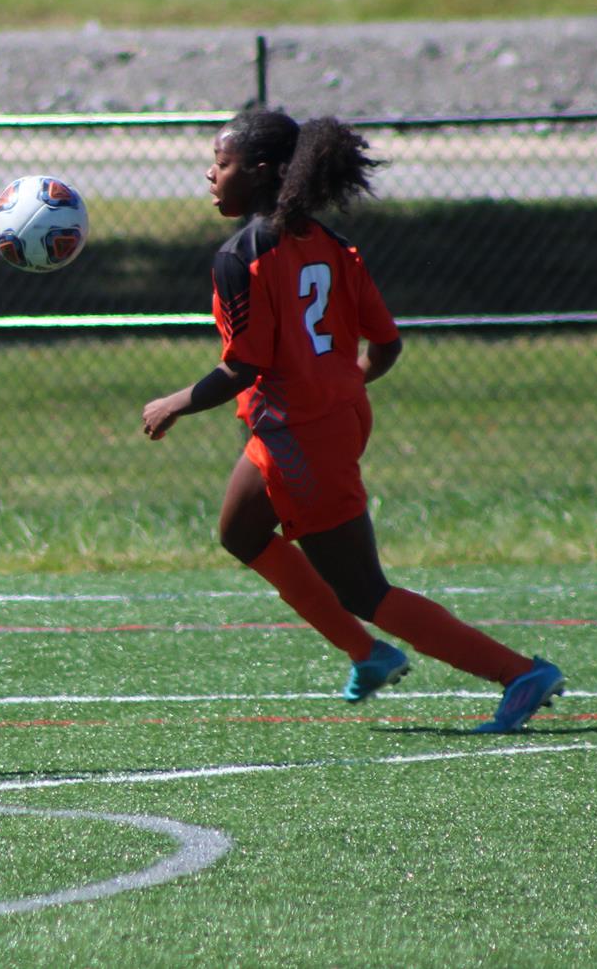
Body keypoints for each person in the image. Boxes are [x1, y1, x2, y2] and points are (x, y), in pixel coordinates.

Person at [140, 108, 564, 734]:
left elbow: (242, 367)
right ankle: (368, 654)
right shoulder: (335, 246)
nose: (210, 174)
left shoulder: (241, 256)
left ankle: (518, 673)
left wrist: (173, 403)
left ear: (261, 172)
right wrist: (338, 386)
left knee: (364, 590)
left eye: (222, 164)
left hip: (300, 437)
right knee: (241, 533)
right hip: (326, 420)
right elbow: (386, 346)